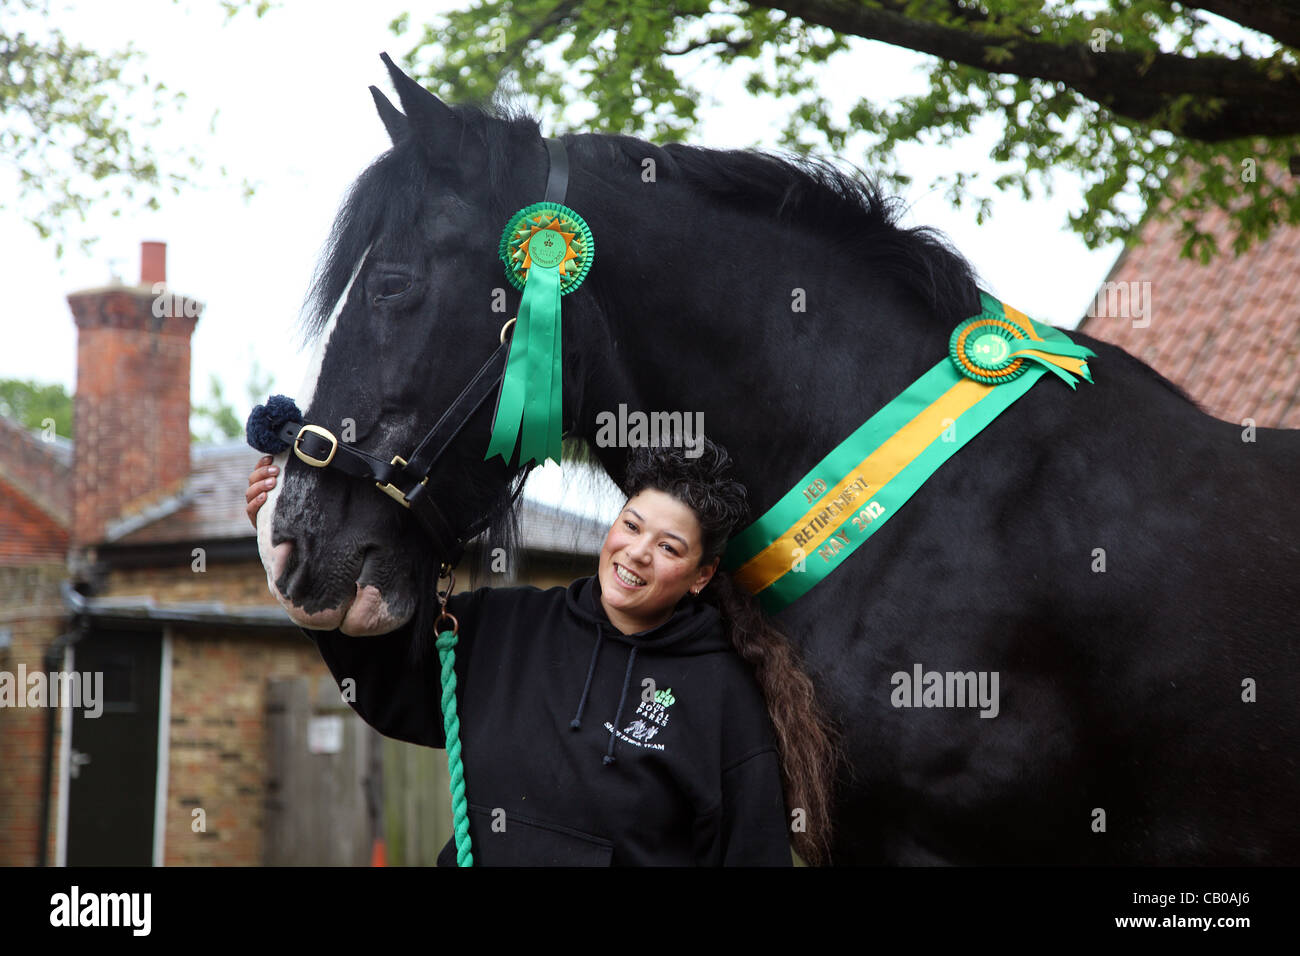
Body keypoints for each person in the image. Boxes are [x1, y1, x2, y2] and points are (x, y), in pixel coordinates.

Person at [247, 440, 841, 865]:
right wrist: (304, 555)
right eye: (631, 526)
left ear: (701, 575)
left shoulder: (723, 696)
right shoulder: (504, 626)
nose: (636, 553)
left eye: (668, 546)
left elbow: (751, 850)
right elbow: (386, 672)